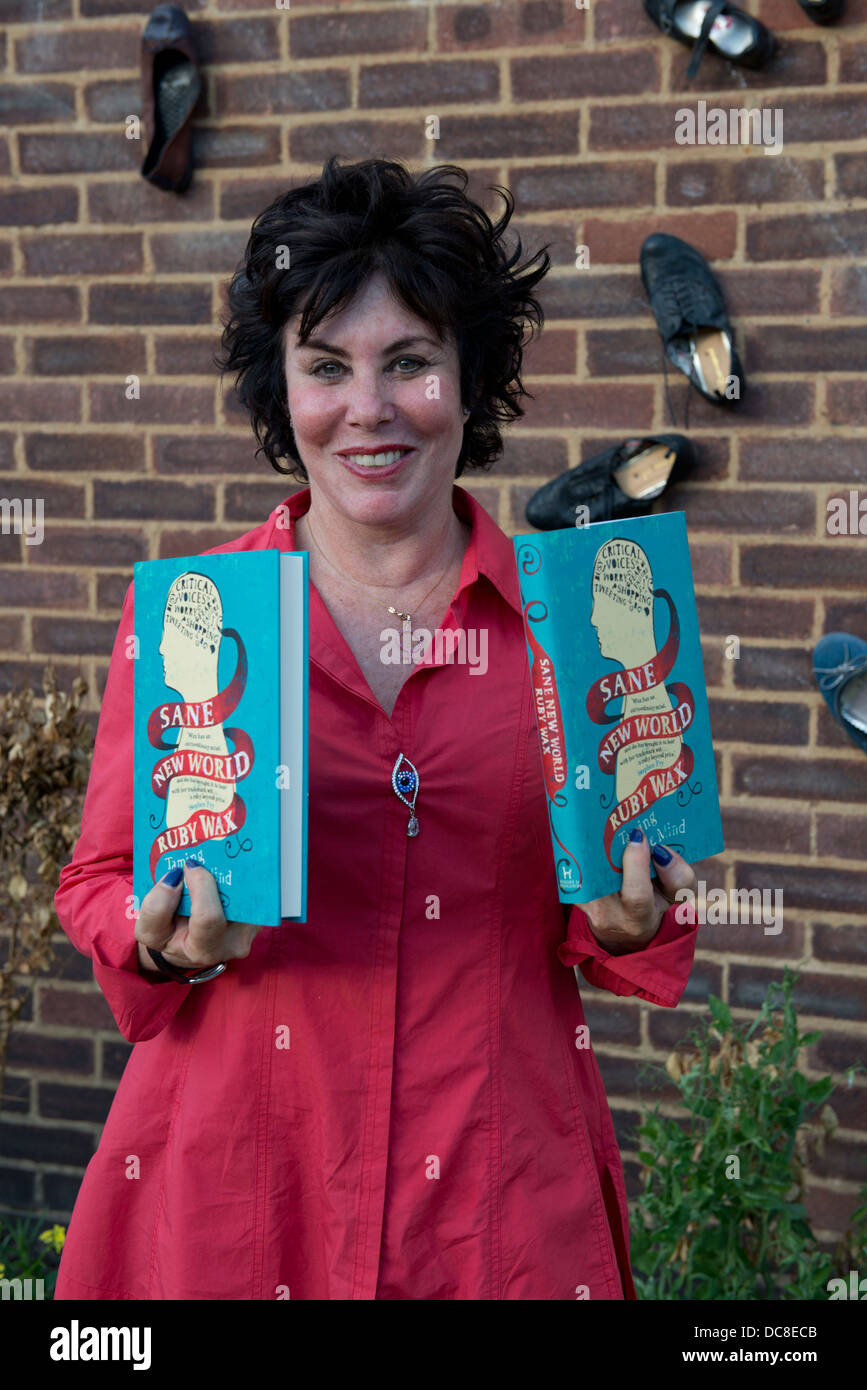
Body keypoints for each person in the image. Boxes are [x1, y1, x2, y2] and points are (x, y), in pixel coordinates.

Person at [53, 156, 699, 1301]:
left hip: (495, 1205)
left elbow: (625, 927)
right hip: (241, 1195)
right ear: (281, 390)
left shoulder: (577, 631)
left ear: (469, 378)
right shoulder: (196, 626)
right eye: (325, 367)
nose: (369, 408)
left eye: (409, 361)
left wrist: (625, 917)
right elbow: (102, 877)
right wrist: (162, 943)